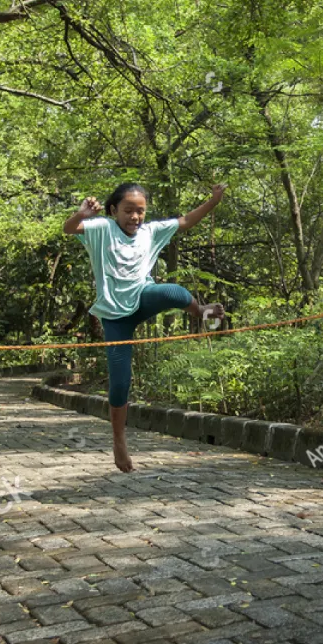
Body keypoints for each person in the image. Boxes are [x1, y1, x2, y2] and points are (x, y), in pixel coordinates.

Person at [64, 182, 226, 472]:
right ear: (114, 210)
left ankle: (199, 311)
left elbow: (186, 221)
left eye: (140, 211)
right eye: (128, 211)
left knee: (171, 291)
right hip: (114, 315)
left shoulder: (150, 232)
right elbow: (70, 229)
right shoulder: (102, 228)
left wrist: (213, 201)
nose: (135, 217)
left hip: (142, 299)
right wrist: (81, 214)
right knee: (120, 381)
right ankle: (118, 440)